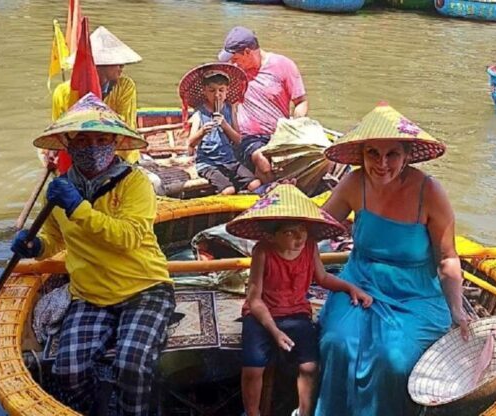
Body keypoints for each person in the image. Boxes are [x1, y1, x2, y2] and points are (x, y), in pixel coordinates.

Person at [11, 93, 175, 415]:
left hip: (145, 288)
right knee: (67, 370)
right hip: (91, 294)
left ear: (115, 143)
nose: (93, 147)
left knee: (133, 364)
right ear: (69, 144)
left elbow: (127, 238)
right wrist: (36, 245)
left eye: (101, 139)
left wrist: (78, 207)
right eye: (83, 140)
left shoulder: (135, 183)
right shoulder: (60, 187)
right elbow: (55, 235)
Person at [314, 103, 471, 416]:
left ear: (407, 155)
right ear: (362, 155)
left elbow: (448, 259)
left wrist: (457, 308)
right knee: (336, 342)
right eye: (373, 153)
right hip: (358, 282)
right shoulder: (353, 183)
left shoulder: (430, 192)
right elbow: (315, 229)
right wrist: (309, 268)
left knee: (393, 359)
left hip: (414, 294)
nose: (381, 164)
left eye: (392, 155)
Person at [225, 185, 372, 416]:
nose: (299, 237)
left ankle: (304, 412)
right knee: (253, 369)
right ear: (273, 235)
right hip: (263, 315)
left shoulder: (310, 247)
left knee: (310, 367)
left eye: (302, 230)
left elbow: (322, 278)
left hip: (296, 313)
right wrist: (274, 331)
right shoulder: (263, 252)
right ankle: (253, 413)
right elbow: (254, 300)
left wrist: (350, 288)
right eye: (290, 232)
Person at [217, 26, 308, 183]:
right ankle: (274, 193)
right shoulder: (234, 73)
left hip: (279, 135)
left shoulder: (283, 65)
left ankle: (268, 186)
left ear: (247, 52)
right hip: (247, 138)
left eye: (235, 58)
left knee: (315, 156)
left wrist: (295, 125)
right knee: (261, 158)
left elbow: (301, 102)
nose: (233, 63)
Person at [46, 26, 143, 166]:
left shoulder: (125, 86)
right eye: (117, 63)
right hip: (78, 155)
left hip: (119, 154)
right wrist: (52, 151)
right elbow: (59, 127)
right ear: (98, 66)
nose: (121, 67)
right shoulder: (62, 92)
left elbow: (125, 125)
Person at [179, 63, 261, 194]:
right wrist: (202, 131)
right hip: (208, 164)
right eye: (212, 91)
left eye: (221, 90)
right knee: (228, 190)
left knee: (256, 184)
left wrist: (225, 125)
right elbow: (191, 143)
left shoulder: (230, 109)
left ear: (227, 90)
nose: (217, 95)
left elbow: (238, 139)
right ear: (205, 91)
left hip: (230, 160)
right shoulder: (199, 114)